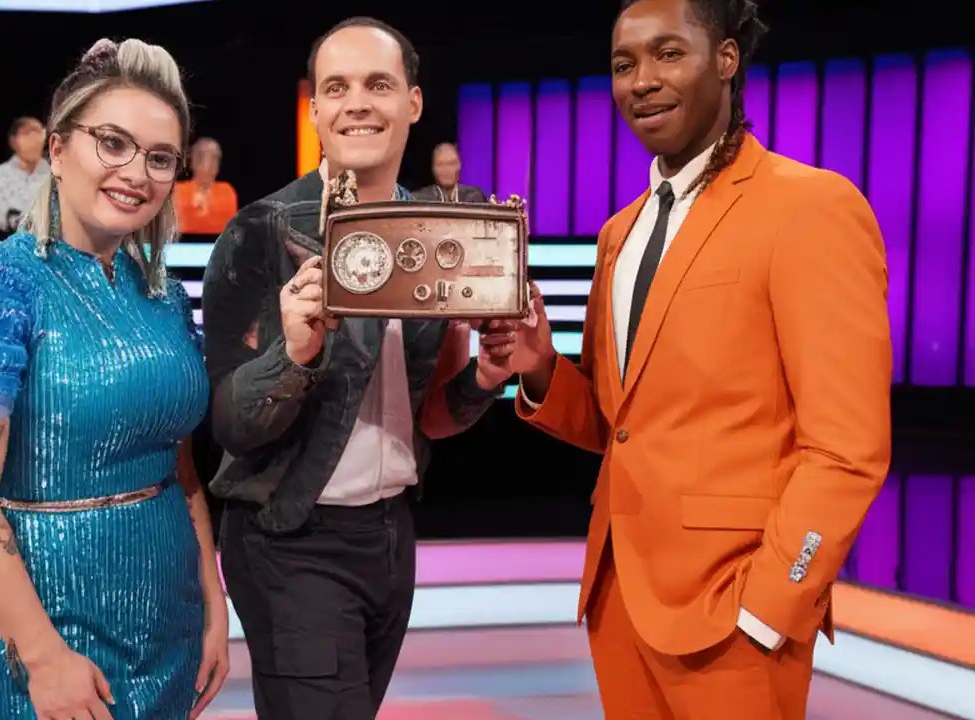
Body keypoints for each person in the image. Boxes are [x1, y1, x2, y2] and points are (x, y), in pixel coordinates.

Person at [506, 0, 891, 717]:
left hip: (734, 620)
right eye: (624, 65)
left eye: (668, 54)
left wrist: (770, 605)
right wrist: (538, 367)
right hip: (619, 601)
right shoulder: (620, 232)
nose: (642, 81)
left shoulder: (810, 207)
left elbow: (848, 449)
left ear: (726, 60)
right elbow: (617, 425)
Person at [0, 37, 228, 720]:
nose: (136, 172)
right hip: (49, 628)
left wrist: (214, 602)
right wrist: (43, 657)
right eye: (113, 142)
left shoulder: (162, 295)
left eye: (159, 158)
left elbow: (182, 466)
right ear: (57, 147)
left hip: (171, 612)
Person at [201, 16, 521, 720]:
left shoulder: (438, 234)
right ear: (314, 108)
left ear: (412, 102)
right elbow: (227, 421)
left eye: (378, 84)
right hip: (288, 543)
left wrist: (488, 380)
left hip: (391, 538)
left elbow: (432, 413)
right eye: (336, 87)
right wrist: (297, 352)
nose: (357, 103)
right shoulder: (258, 231)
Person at [0, 116, 51, 231]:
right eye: (27, 133)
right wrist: (21, 223)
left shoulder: (57, 176)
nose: (33, 139)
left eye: (38, 132)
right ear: (13, 142)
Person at [172, 137, 237, 234]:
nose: (208, 166)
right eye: (202, 159)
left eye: (214, 160)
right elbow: (175, 227)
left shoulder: (226, 191)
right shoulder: (179, 191)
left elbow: (230, 230)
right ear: (193, 163)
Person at [410, 142, 485, 203]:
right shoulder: (419, 199)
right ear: (433, 168)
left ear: (459, 166)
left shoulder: (474, 197)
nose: (446, 170)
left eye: (451, 163)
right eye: (440, 164)